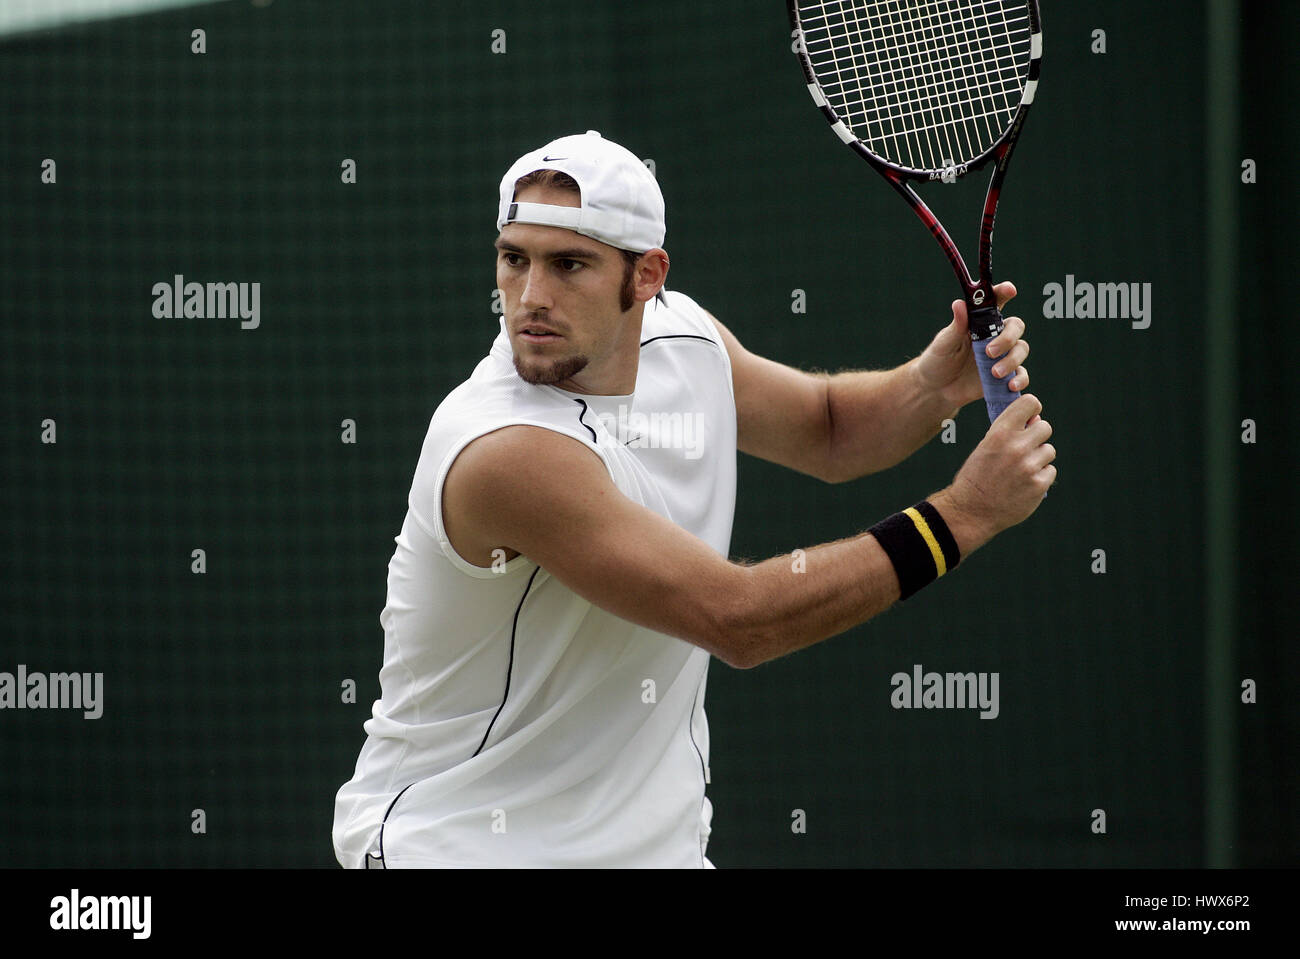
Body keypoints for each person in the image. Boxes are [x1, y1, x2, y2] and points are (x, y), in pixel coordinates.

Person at [332, 130, 1055, 869]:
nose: (529, 296)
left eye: (568, 263)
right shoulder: (505, 448)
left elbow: (830, 428)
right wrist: (964, 514)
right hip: (457, 849)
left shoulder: (688, 341)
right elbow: (739, 619)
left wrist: (932, 384)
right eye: (514, 258)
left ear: (647, 275)